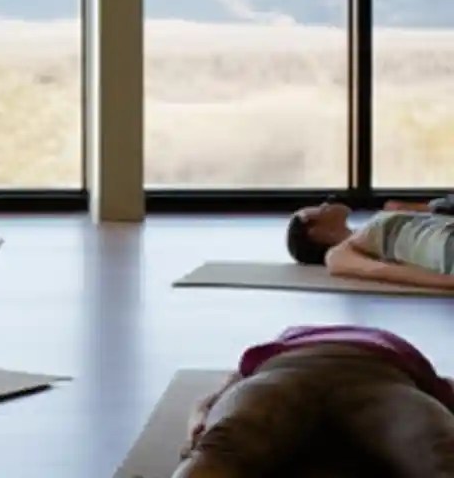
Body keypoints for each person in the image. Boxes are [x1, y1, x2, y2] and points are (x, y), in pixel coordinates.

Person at [174, 325, 454, 478]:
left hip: (380, 377)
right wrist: (200, 422)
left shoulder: (396, 349)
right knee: (224, 443)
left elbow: (217, 395)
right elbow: (219, 393)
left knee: (442, 453)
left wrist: (202, 419)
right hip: (287, 371)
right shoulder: (288, 337)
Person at [286, 199, 454, 290]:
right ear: (314, 232)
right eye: (317, 209)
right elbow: (385, 272)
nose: (324, 204)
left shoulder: (364, 230)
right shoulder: (337, 254)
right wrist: (447, 282)